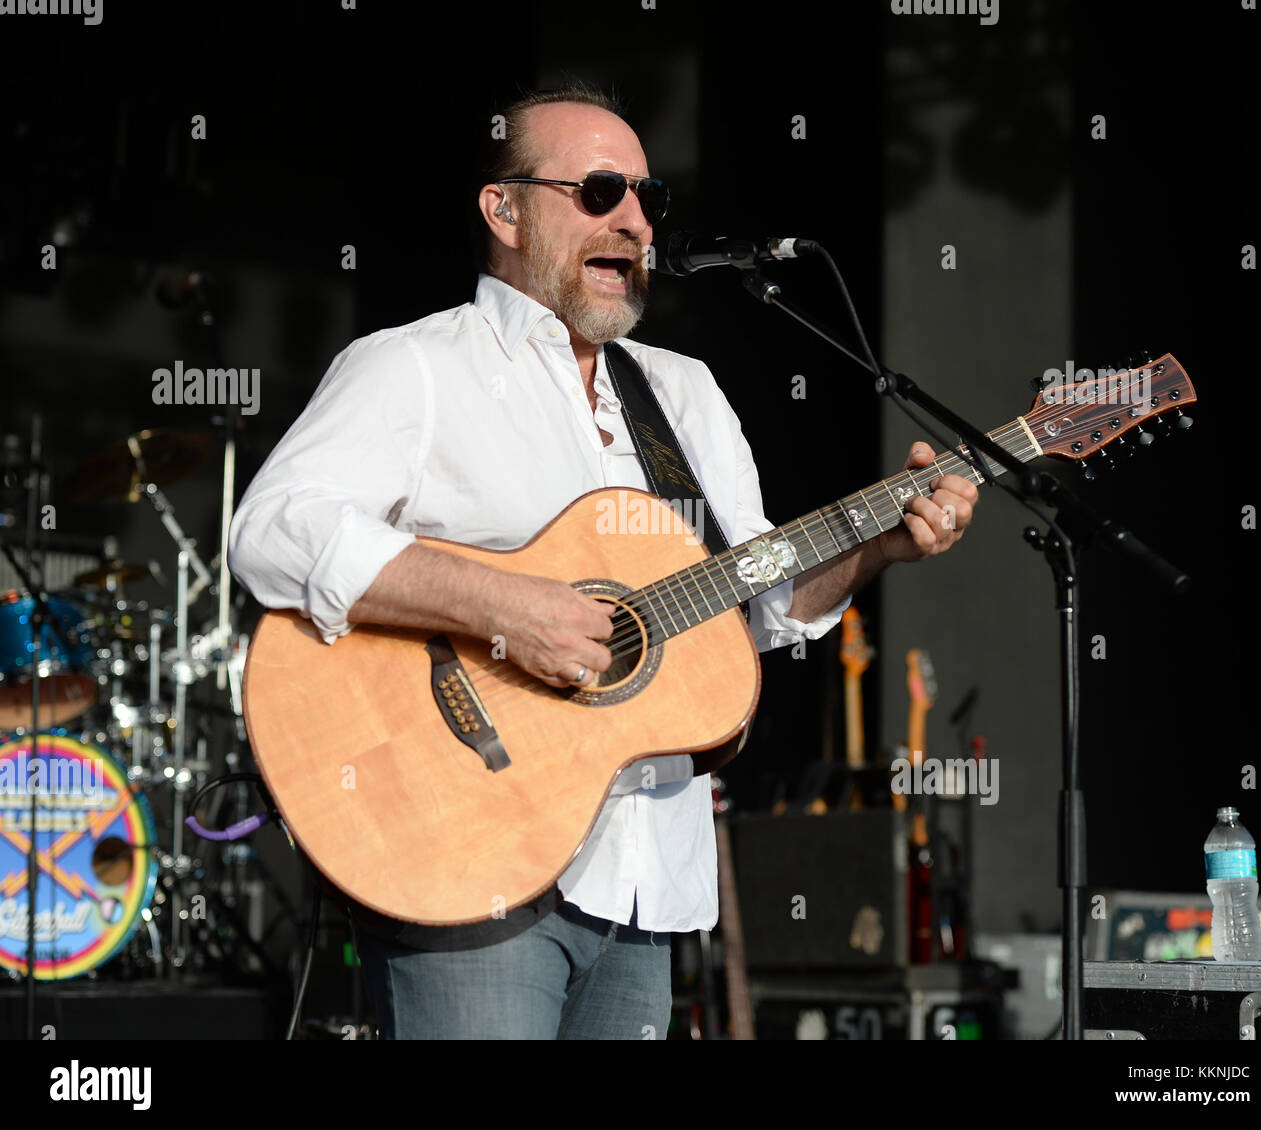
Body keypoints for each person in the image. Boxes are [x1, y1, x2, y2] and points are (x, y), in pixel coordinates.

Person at [228, 81, 978, 1039]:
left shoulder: (683, 393)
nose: (634, 220)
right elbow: (275, 528)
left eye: (646, 200)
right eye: (598, 192)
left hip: (645, 877)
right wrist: (501, 606)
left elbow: (758, 602)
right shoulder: (414, 366)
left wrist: (878, 545)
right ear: (504, 209)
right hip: (464, 851)